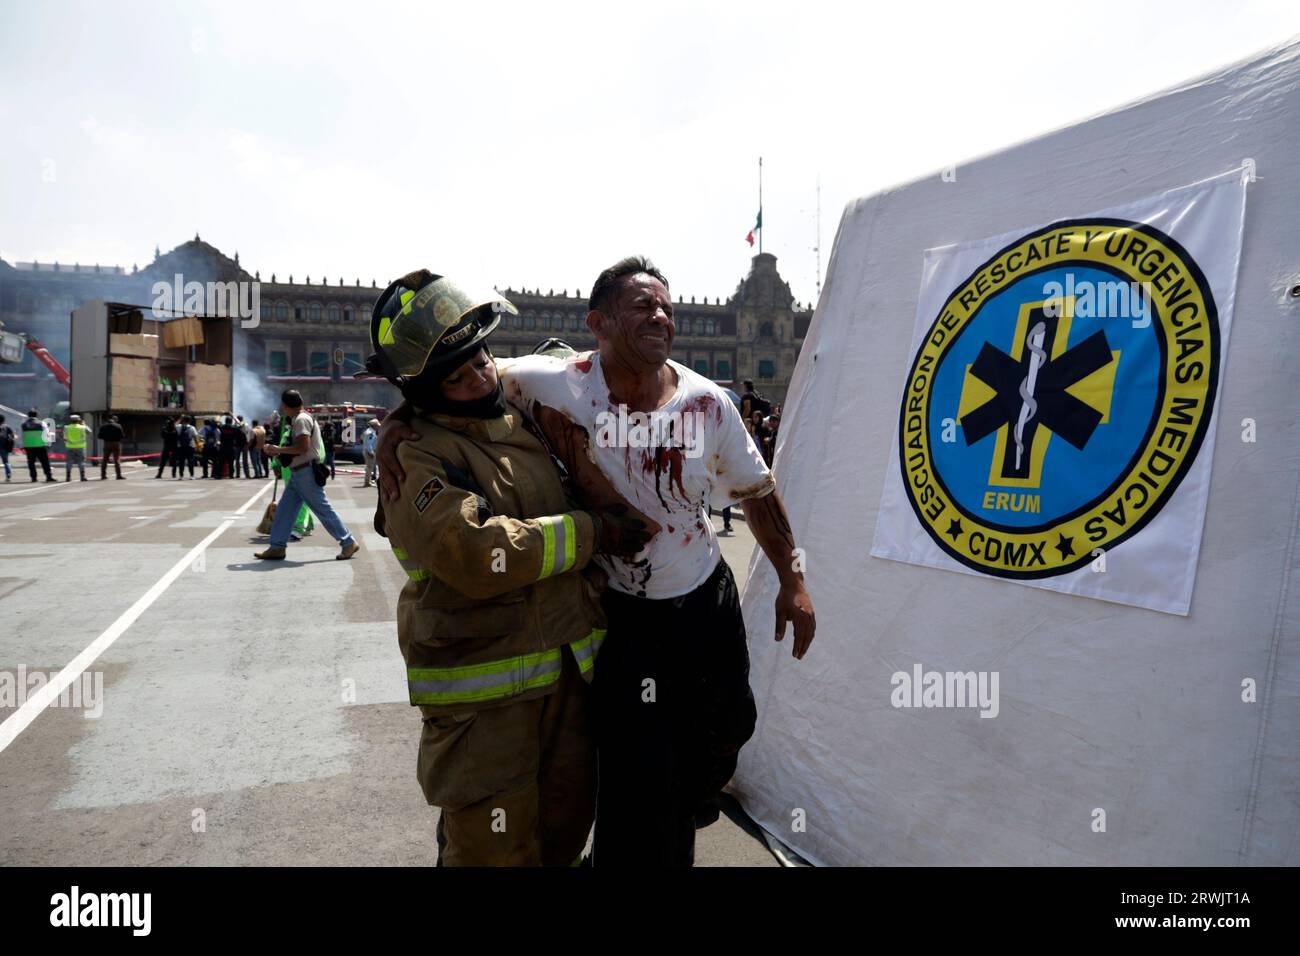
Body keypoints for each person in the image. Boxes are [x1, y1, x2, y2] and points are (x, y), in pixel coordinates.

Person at [380, 255, 816, 867]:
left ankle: (686, 798)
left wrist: (793, 580)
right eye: (642, 306)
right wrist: (398, 421)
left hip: (702, 598)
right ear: (597, 324)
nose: (660, 315)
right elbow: (452, 376)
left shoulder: (710, 403)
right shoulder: (553, 383)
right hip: (624, 615)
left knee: (729, 726)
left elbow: (760, 494)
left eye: (666, 305)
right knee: (637, 770)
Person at [365, 269, 655, 866]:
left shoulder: (520, 415)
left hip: (568, 679)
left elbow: (571, 364)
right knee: (492, 851)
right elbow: (475, 554)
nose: (477, 379)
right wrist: (592, 532)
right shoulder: (417, 455)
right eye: (456, 376)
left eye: (481, 362)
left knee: (565, 834)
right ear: (424, 392)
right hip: (485, 704)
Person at [255, 389, 359, 561]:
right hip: (299, 473)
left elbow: (302, 447)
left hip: (305, 473)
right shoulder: (299, 418)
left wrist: (277, 450)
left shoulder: (301, 420)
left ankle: (348, 542)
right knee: (283, 511)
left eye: (283, 405)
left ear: (286, 406)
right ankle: (277, 546)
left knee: (323, 510)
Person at [21, 409, 55, 482]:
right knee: (44, 462)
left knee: (31, 463)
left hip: (29, 446)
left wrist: (23, 445)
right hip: (40, 446)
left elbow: (22, 436)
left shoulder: (24, 424)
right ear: (36, 415)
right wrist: (48, 444)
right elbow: (46, 434)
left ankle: (34, 478)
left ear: (28, 416)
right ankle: (48, 476)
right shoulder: (41, 423)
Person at [97, 414, 125, 480]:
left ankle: (103, 476)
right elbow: (122, 436)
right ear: (115, 420)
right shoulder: (118, 426)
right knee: (116, 460)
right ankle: (118, 475)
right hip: (116, 444)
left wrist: (106, 437)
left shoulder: (103, 426)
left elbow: (99, 436)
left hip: (107, 444)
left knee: (105, 460)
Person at [63, 414, 89, 481]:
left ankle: (68, 477)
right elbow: (89, 432)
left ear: (71, 420)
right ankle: (82, 477)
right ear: (78, 420)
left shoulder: (66, 427)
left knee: (69, 462)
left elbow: (64, 437)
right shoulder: (82, 427)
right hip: (80, 447)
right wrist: (84, 425)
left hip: (69, 447)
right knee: (81, 462)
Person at [362, 418, 379, 487]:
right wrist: (371, 452)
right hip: (369, 452)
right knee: (369, 467)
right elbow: (368, 443)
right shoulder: (370, 433)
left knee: (370, 467)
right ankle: (367, 482)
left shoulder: (370, 431)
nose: (378, 426)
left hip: (369, 451)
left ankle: (368, 481)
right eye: (377, 425)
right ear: (374, 425)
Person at [0, 414, 15, 482]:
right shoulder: (7, 427)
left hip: (3, 446)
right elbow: (12, 436)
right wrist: (10, 441)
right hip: (4, 446)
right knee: (6, 462)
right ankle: (8, 475)